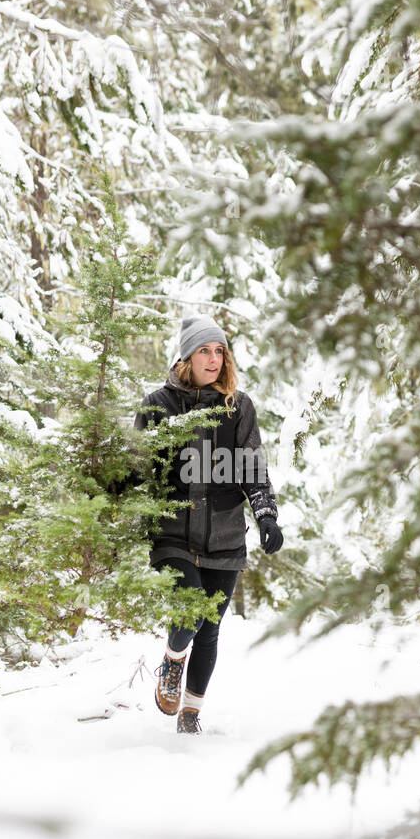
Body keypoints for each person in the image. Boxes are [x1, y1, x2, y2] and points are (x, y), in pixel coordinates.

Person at [133, 312, 283, 734]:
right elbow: (138, 469)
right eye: (205, 350)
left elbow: (254, 469)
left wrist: (266, 516)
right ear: (187, 357)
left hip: (225, 535)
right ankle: (171, 662)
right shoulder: (158, 406)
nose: (214, 358)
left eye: (219, 350)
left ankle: (191, 714)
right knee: (189, 611)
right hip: (173, 534)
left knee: (210, 629)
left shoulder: (238, 407)